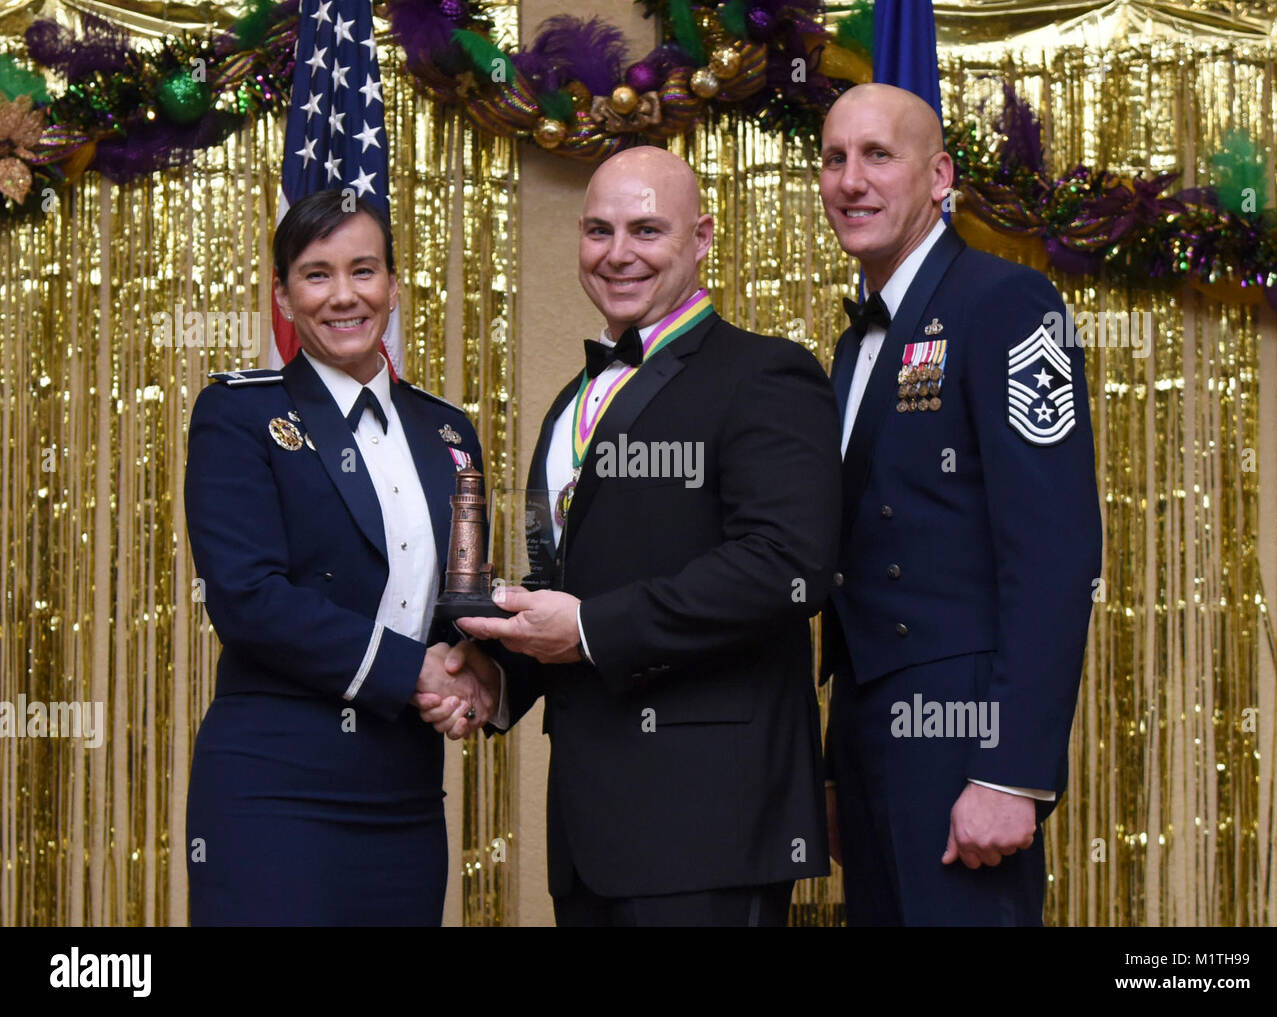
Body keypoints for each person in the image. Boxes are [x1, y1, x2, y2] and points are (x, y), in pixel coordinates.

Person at [444, 146, 842, 927]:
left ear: (702, 237)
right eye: (598, 229)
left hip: (711, 823)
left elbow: (786, 566)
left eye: (646, 229)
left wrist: (590, 628)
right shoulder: (570, 403)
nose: (617, 253)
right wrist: (492, 684)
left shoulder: (768, 374)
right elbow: (548, 585)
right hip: (590, 829)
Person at [816, 84, 1103, 926]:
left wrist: (1013, 769)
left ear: (939, 175)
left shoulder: (1008, 304)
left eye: (878, 155)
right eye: (834, 158)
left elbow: (1055, 552)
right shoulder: (854, 342)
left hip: (965, 737)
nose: (851, 180)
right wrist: (840, 761)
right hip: (873, 737)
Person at [184, 187, 500, 926]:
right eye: (316, 274)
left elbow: (464, 600)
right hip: (276, 782)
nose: (344, 295)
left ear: (392, 285)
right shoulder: (240, 413)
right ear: (283, 297)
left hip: (404, 787)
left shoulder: (449, 433)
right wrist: (410, 669)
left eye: (364, 270)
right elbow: (248, 599)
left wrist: (479, 675)